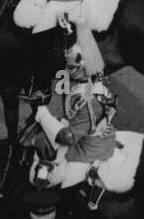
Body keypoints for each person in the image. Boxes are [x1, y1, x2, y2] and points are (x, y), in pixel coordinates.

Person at [33, 52, 118, 204]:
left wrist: (43, 114)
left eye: (71, 67)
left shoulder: (89, 99)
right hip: (91, 131)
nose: (66, 70)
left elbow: (69, 137)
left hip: (88, 144)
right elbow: (73, 115)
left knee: (43, 147)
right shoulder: (92, 88)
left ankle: (47, 198)